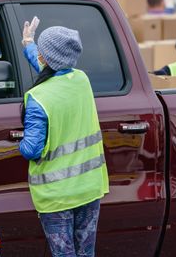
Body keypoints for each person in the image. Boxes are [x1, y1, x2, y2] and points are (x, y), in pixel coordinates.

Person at [19, 17, 109, 257]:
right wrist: (29, 43)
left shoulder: (38, 98)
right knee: (85, 253)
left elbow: (32, 149)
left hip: (56, 195)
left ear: (45, 57)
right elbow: (51, 69)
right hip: (89, 187)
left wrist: (21, 139)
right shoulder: (82, 80)